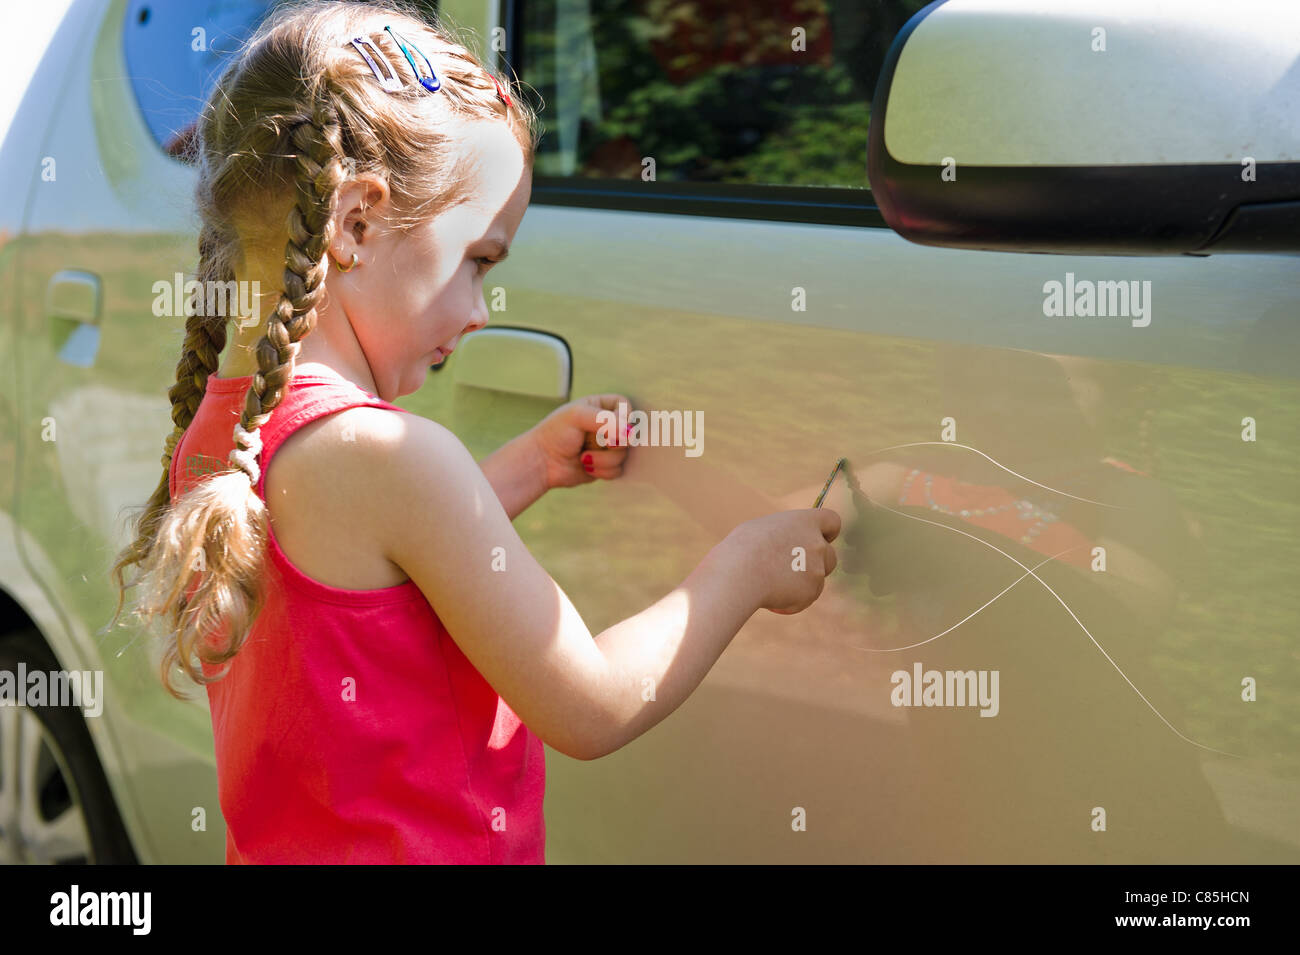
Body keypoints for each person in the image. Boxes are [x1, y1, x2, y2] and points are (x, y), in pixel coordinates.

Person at [106, 0, 839, 864]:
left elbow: (372, 586)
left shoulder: (226, 429)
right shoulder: (389, 457)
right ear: (355, 223)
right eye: (480, 259)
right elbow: (591, 705)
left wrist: (529, 464)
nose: (483, 310)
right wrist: (749, 561)